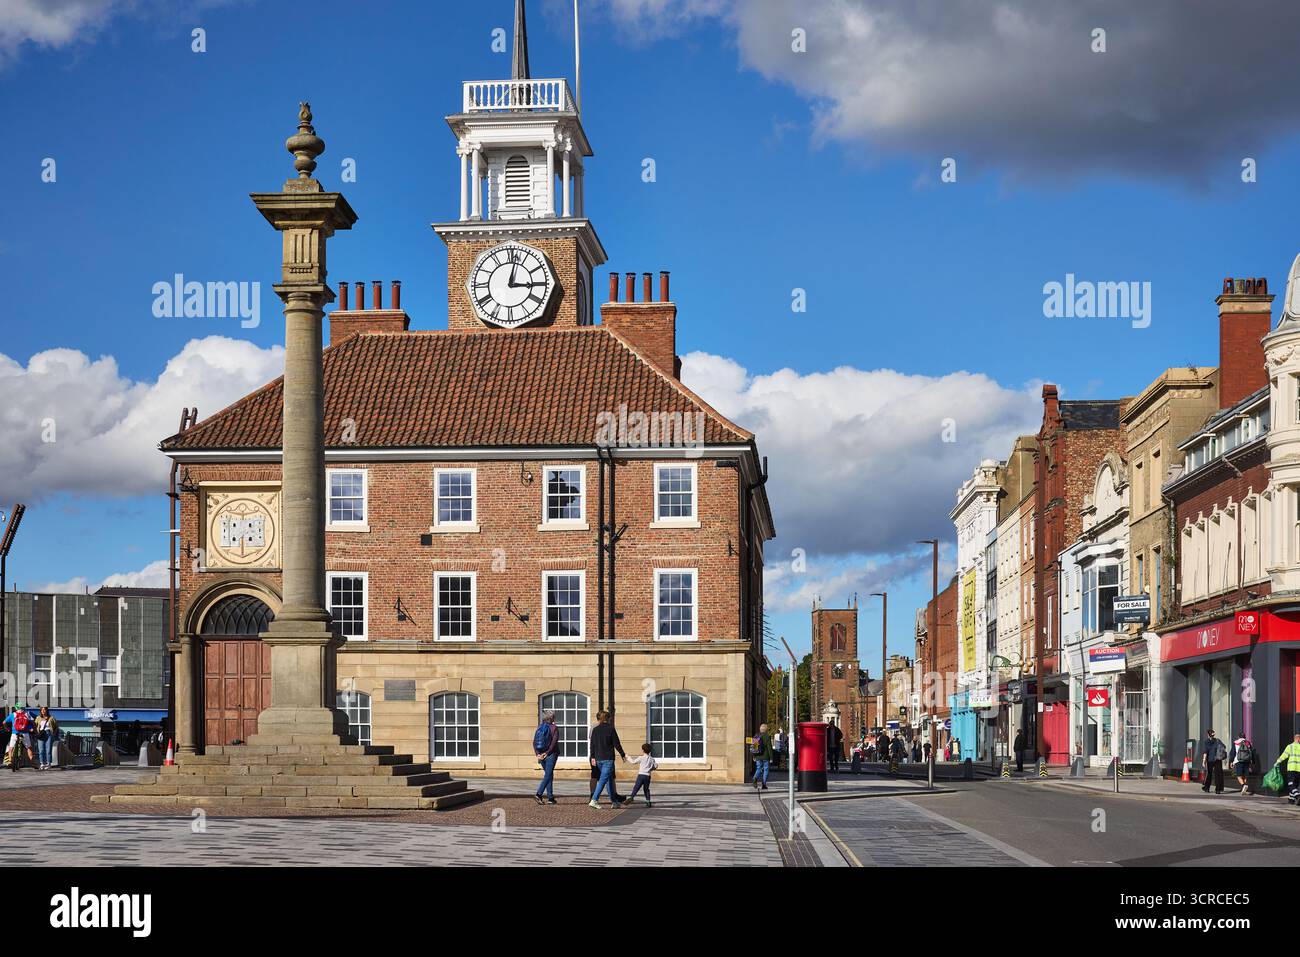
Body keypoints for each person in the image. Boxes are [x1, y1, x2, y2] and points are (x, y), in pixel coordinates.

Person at [588, 711, 627, 809]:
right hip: (608, 759)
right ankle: (594, 800)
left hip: (598, 758)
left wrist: (592, 757)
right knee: (602, 780)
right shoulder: (611, 729)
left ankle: (614, 802)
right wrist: (622, 754)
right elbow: (616, 743)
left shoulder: (595, 729)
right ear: (607, 718)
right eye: (609, 718)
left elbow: (592, 745)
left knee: (609, 780)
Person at [532, 709, 560, 805]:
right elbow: (553, 743)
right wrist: (547, 753)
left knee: (549, 775)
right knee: (548, 775)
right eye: (554, 716)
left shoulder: (539, 727)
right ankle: (539, 794)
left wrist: (538, 754)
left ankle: (550, 798)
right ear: (551, 718)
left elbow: (534, 742)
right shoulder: (554, 728)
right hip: (551, 754)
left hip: (541, 755)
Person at [4, 707, 35, 772]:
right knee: (29, 748)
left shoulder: (13, 714)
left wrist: (7, 728)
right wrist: (32, 728)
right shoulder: (27, 713)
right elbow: (34, 720)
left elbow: (4, 722)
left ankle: (10, 761)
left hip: (15, 733)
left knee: (11, 748)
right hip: (25, 733)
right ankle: (32, 762)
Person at [1273, 732, 1300, 804]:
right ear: (1298, 739)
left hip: (1292, 769)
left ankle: (1297, 796)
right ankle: (1291, 800)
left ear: (1295, 739)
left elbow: (1284, 756)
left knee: (1291, 784)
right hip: (1299, 770)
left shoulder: (1290, 746)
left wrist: (1277, 762)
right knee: (1295, 785)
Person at [1201, 728, 1227, 794]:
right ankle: (1218, 790)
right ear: (1213, 734)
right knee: (1218, 774)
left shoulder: (1206, 742)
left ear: (1208, 734)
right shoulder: (1218, 740)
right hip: (1218, 759)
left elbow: (1205, 752)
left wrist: (1203, 761)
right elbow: (1224, 746)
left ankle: (1207, 788)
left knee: (1209, 774)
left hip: (1210, 760)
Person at [35, 706, 59, 771]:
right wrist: (35, 732)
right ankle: (42, 763)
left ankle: (48, 763)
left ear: (47, 710)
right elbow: (35, 725)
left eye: (44, 709)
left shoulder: (51, 718)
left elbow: (56, 726)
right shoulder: (38, 718)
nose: (43, 711)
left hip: (48, 734)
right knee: (41, 750)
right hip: (41, 734)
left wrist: (53, 733)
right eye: (41, 710)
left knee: (48, 750)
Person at [751, 723, 773, 790]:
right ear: (766, 729)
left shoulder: (756, 736)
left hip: (758, 756)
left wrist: (754, 756)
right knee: (766, 770)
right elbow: (769, 748)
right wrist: (771, 758)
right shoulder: (767, 736)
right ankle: (764, 784)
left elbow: (754, 748)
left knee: (758, 768)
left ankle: (755, 778)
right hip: (765, 757)